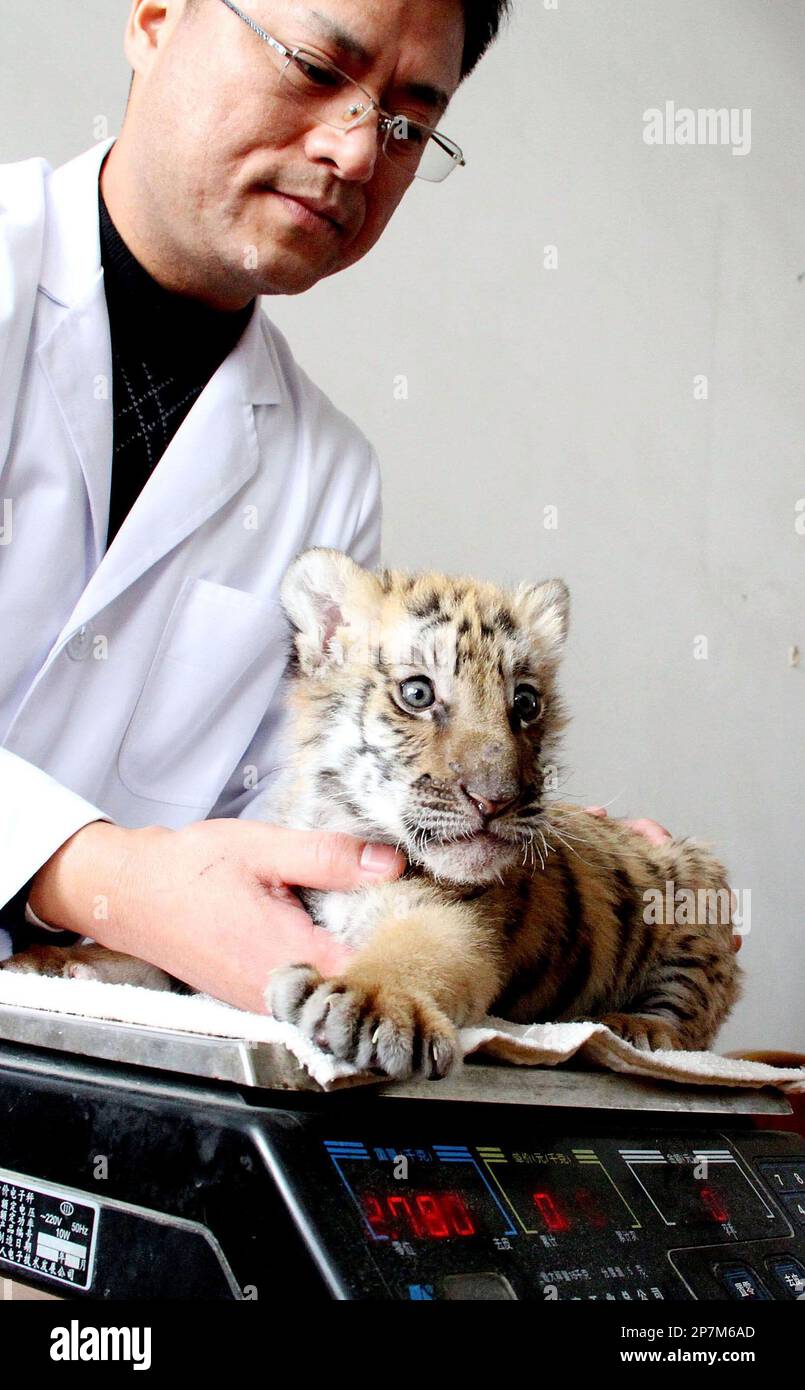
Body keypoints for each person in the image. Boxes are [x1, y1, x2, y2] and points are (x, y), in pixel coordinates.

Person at [0, 0, 684, 1015]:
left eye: (410, 122)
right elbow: (155, 878)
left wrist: (467, 833)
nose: (360, 153)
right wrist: (97, 873)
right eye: (317, 63)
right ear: (152, 18)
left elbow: (276, 834)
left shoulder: (330, 473)